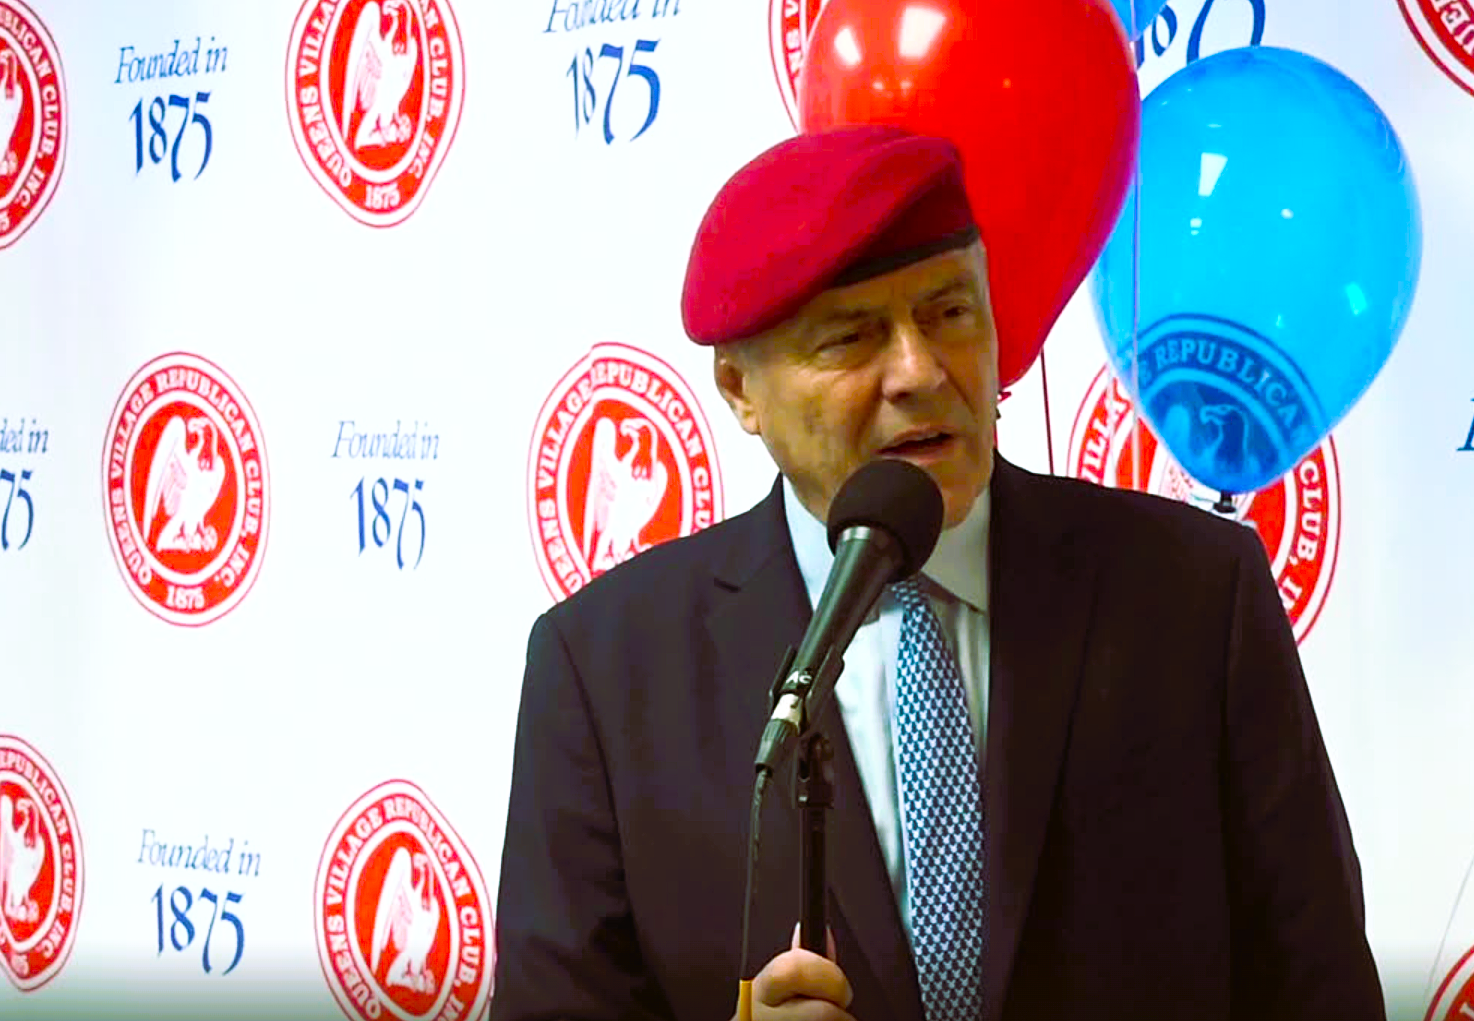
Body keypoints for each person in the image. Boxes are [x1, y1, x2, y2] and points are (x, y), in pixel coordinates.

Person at [492, 124, 1385, 1021]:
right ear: (739, 390)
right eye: (849, 338)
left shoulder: (1194, 595)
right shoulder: (605, 668)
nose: (920, 371)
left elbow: (1318, 986)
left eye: (951, 311)